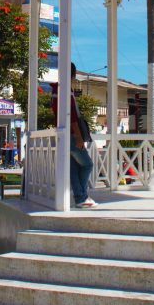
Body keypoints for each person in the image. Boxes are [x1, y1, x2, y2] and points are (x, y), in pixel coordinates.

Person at [52, 63, 96, 209]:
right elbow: (70, 115)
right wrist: (78, 136)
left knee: (74, 168)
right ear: (73, 74)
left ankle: (81, 198)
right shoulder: (65, 90)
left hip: (64, 134)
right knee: (87, 165)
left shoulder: (56, 89)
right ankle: (81, 196)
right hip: (71, 134)